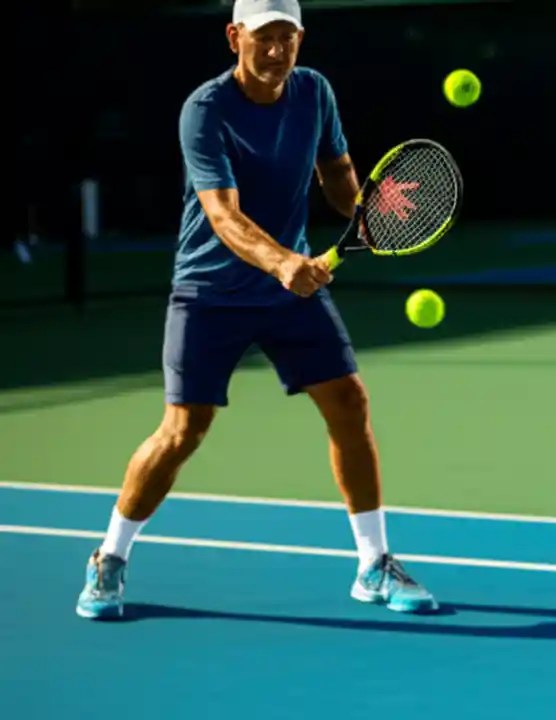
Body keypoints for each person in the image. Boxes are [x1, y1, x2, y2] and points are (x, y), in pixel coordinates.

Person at [75, 0, 437, 619]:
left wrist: (364, 212)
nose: (277, 51)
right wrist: (283, 264)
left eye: (288, 38)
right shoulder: (205, 109)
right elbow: (222, 215)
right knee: (183, 430)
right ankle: (109, 558)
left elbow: (338, 172)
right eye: (264, 38)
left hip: (287, 290)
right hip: (210, 291)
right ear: (234, 36)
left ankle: (373, 564)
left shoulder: (314, 92)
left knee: (349, 402)